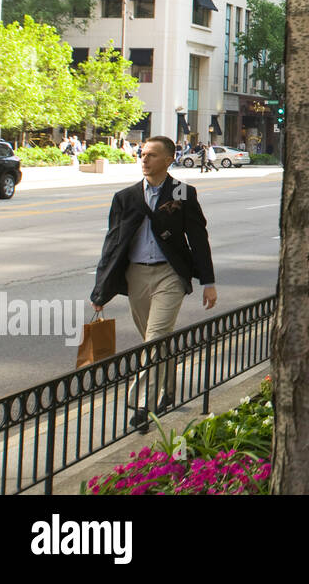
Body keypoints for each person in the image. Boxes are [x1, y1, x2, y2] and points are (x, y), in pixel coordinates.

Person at [90, 136, 217, 433]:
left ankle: (142, 404)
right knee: (157, 342)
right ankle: (169, 391)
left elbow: (198, 239)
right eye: (142, 154)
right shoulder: (125, 197)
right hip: (136, 276)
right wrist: (101, 291)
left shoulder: (184, 193)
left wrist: (208, 281)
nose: (145, 160)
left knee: (155, 337)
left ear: (169, 159)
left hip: (169, 275)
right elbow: (112, 245)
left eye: (153, 155)